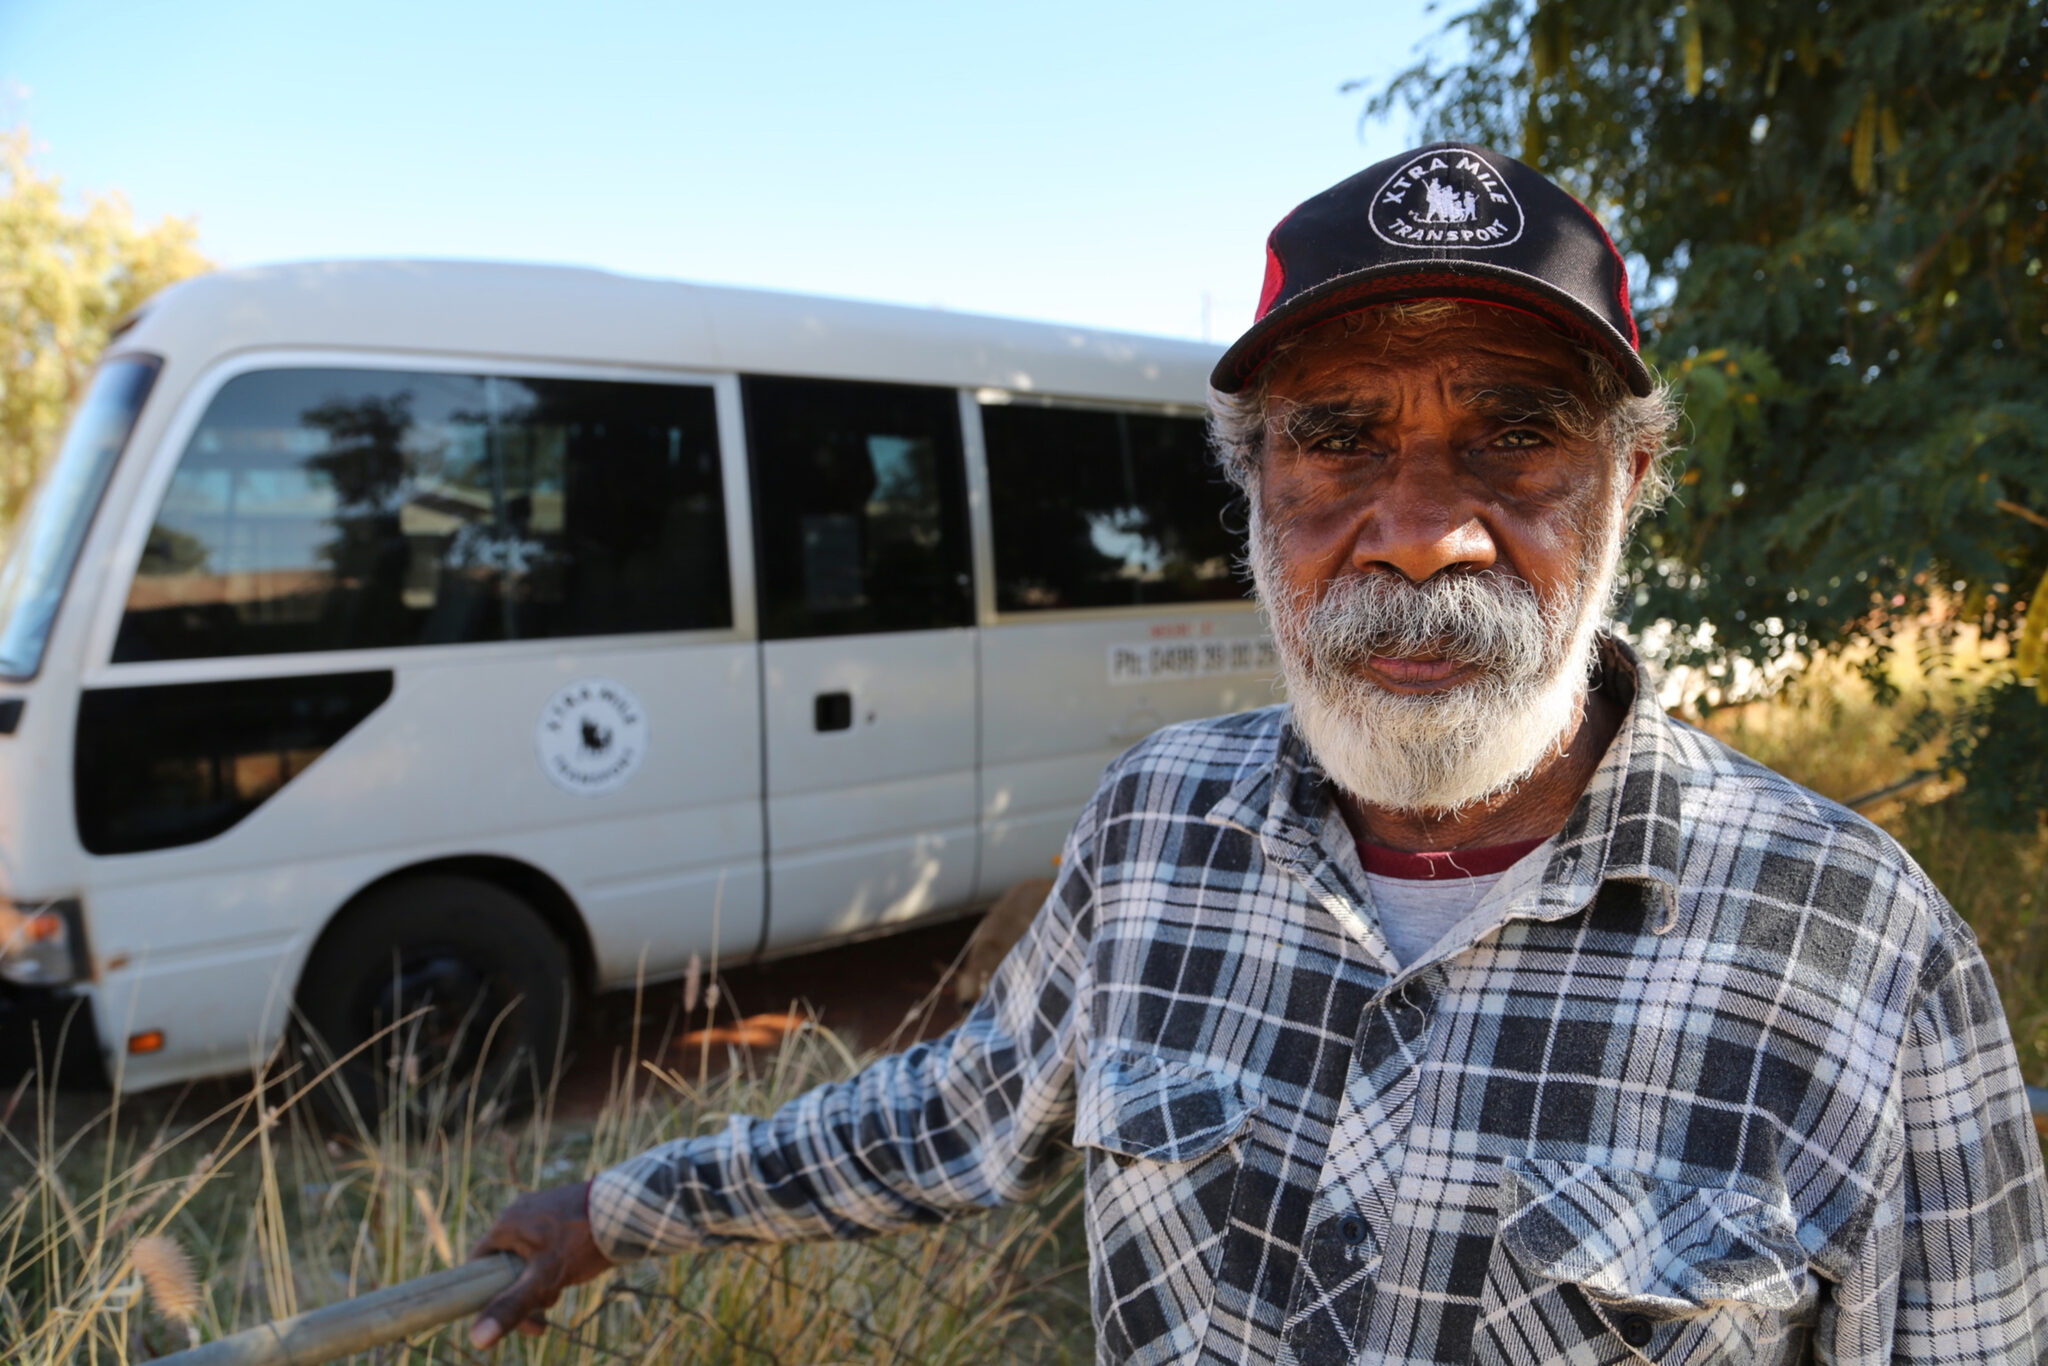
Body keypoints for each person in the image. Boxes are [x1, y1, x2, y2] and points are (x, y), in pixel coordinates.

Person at [468, 143, 2048, 1364]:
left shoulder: (1865, 952)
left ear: (1631, 482)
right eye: (1339, 438)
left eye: (1515, 435)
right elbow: (961, 1109)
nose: (1420, 533)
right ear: (1255, 484)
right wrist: (614, 1210)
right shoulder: (1156, 823)